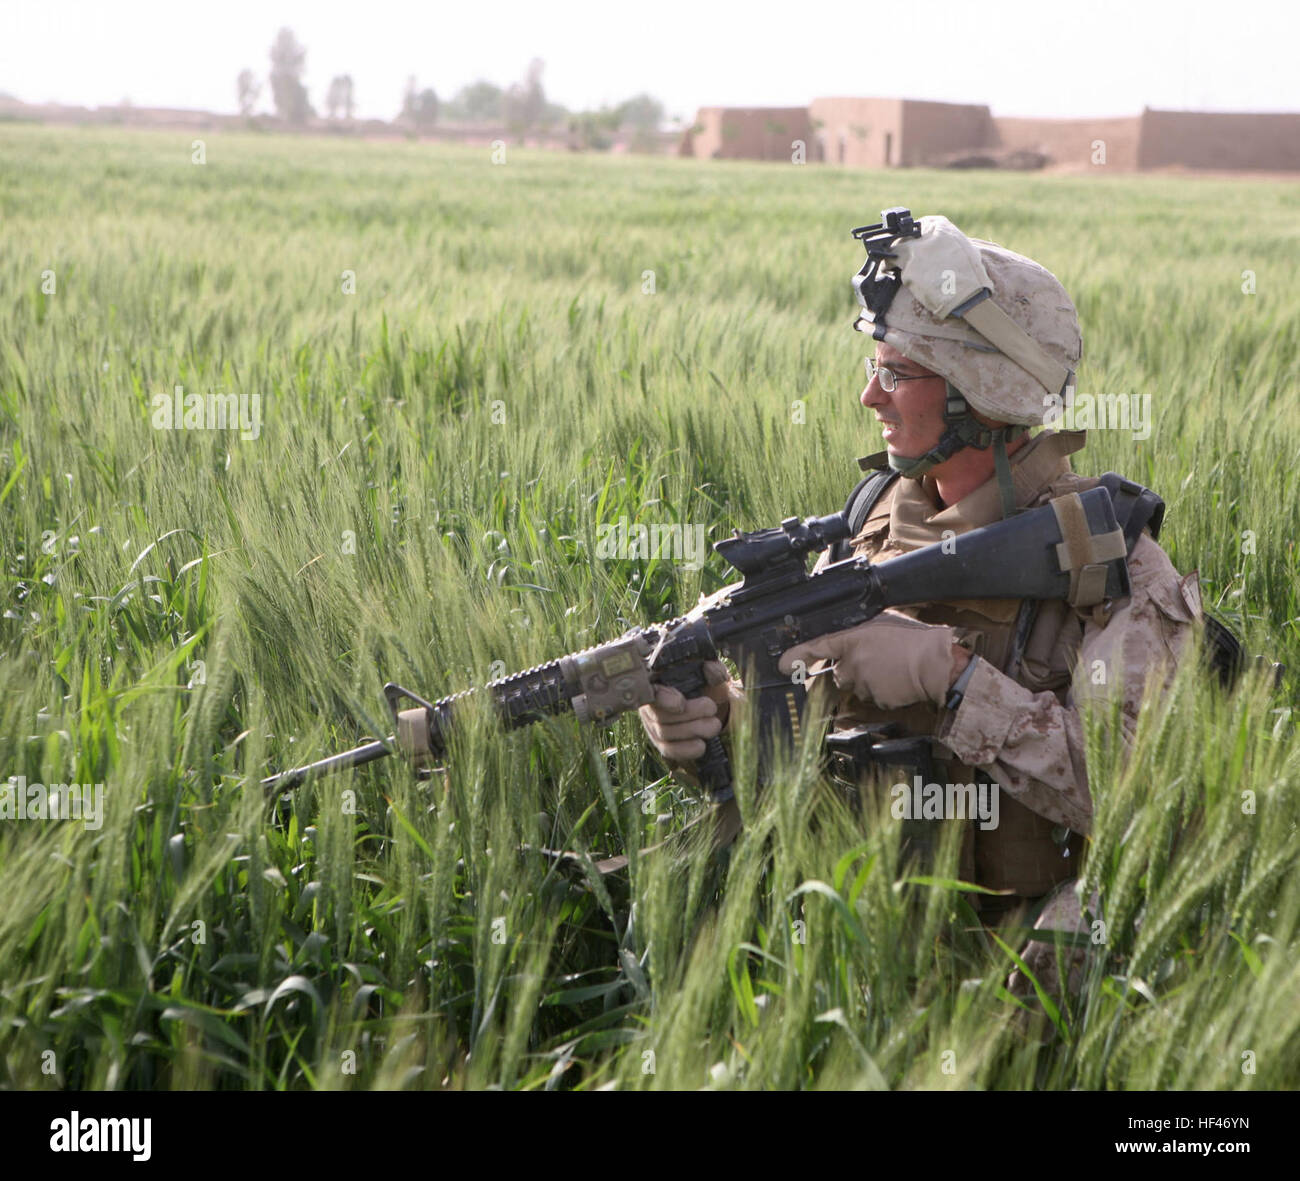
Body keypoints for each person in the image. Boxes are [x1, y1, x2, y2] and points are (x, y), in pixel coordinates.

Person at [638, 210, 1203, 996]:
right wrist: (717, 723)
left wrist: (952, 676)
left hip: (1011, 965)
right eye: (876, 364)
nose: (869, 394)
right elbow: (810, 768)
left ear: (983, 392)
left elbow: (1140, 803)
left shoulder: (1111, 568)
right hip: (858, 932)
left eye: (898, 372)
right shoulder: (869, 524)